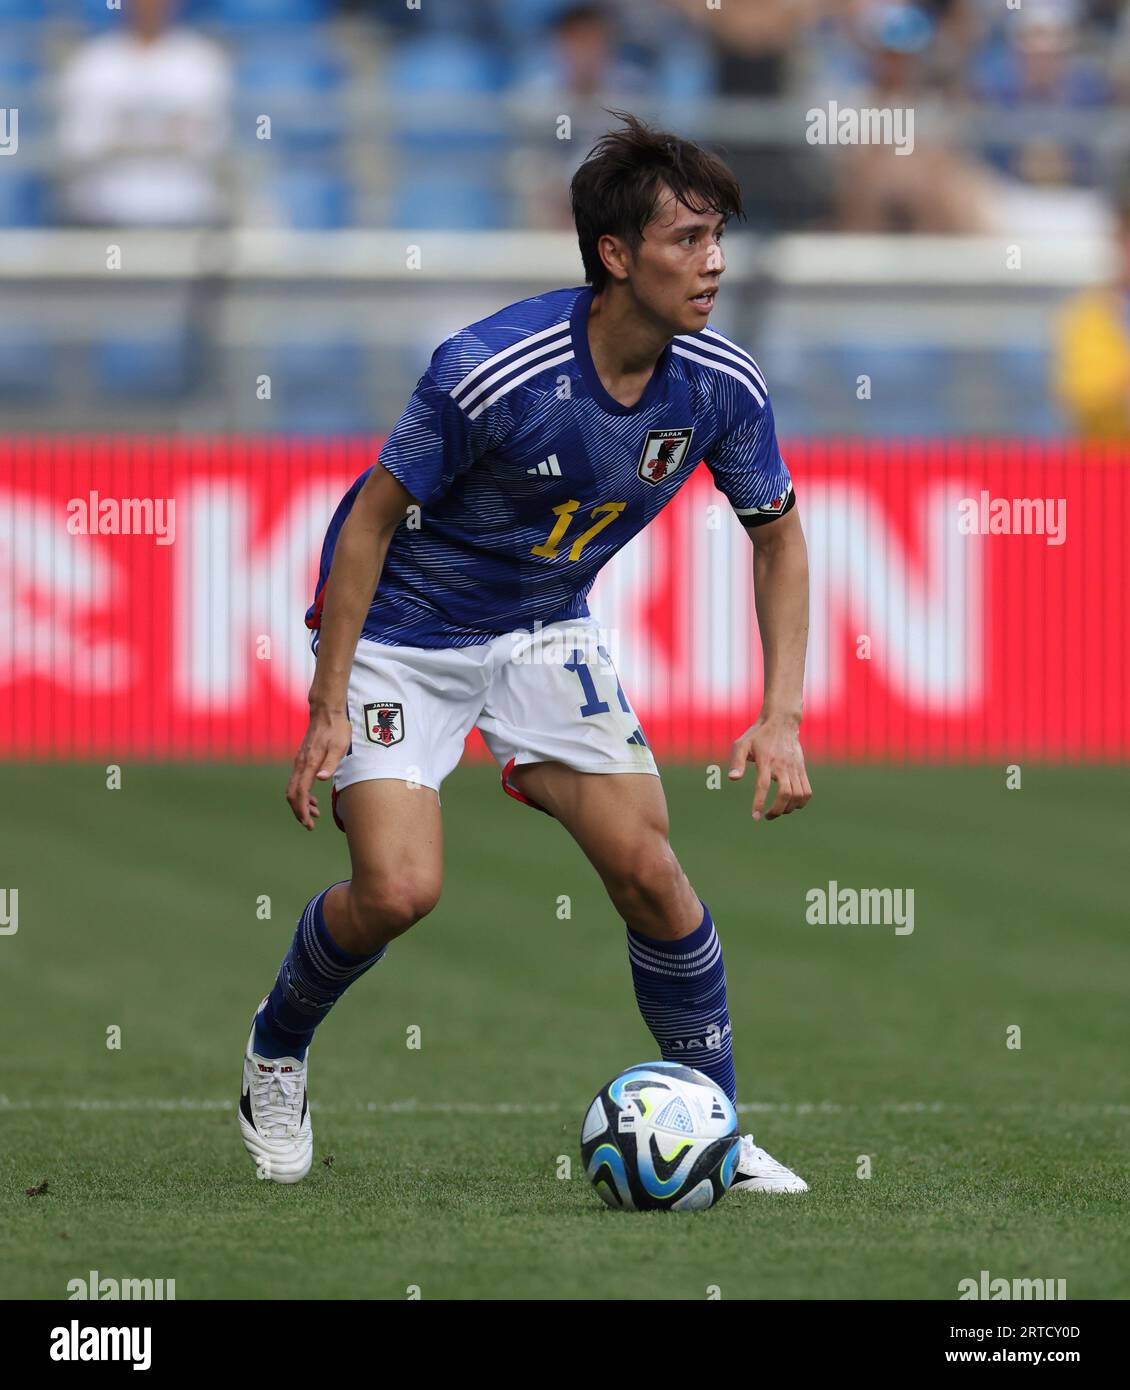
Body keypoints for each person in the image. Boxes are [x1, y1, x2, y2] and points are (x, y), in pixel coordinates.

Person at [239, 113, 813, 1196]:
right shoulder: (493, 368)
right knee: (398, 890)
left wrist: (779, 711)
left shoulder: (721, 386)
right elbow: (367, 521)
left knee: (651, 873)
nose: (714, 262)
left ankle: (718, 1133)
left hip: (544, 628)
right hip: (402, 637)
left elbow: (776, 534)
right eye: (686, 239)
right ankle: (276, 1050)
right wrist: (327, 701)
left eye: (716, 237)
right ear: (614, 255)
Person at [55, 0, 231, 228]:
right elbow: (77, 141)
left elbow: (211, 140)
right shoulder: (93, 62)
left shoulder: (202, 61)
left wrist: (127, 132)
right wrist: (163, 132)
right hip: (104, 214)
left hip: (185, 213)